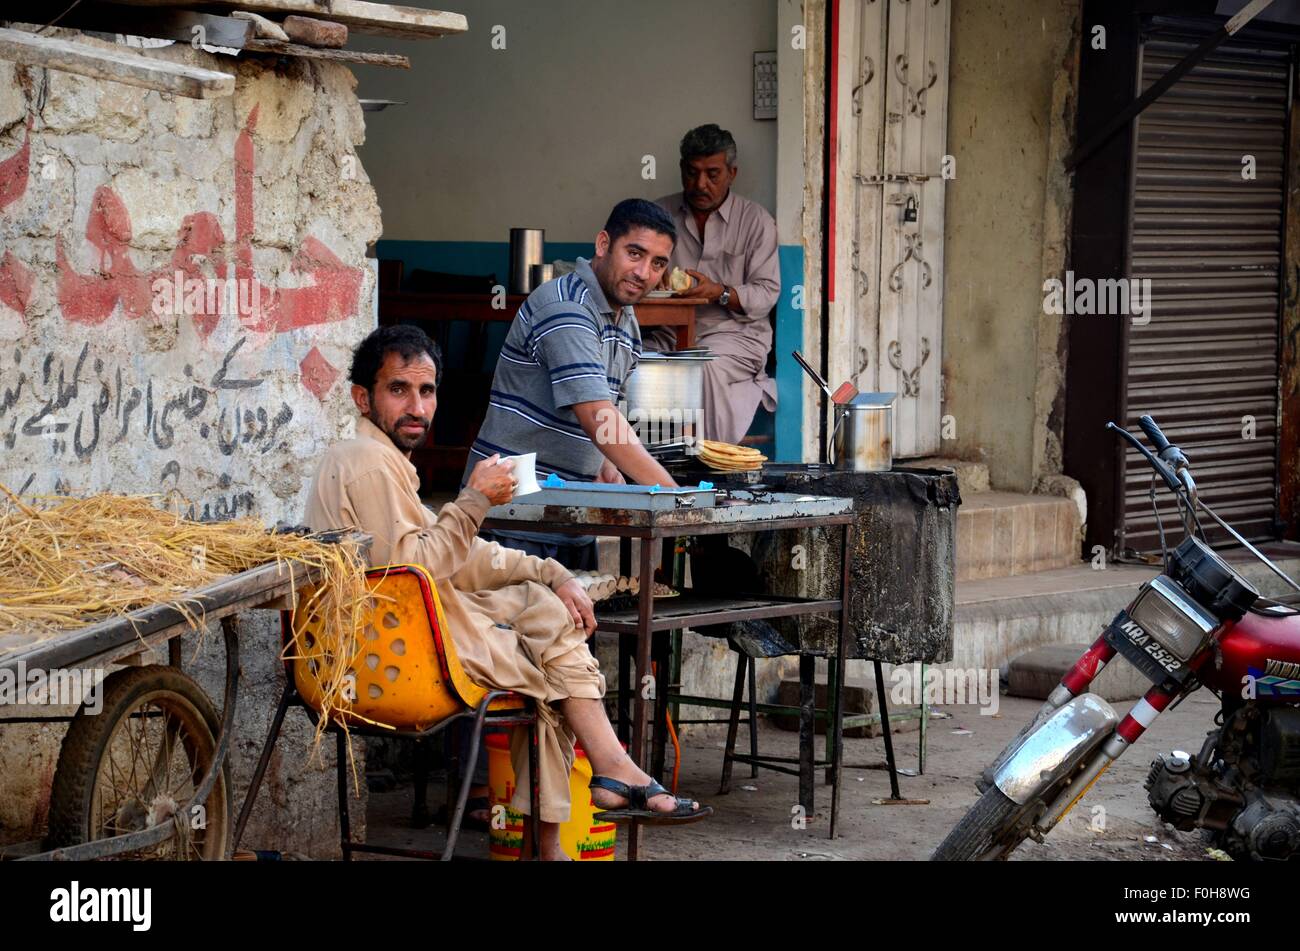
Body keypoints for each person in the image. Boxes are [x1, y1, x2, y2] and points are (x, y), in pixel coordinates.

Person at [305, 325, 710, 860]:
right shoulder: (365, 461)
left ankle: (584, 805)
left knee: (543, 614)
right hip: (389, 656)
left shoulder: (383, 461)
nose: (416, 406)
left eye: (426, 392)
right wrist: (474, 501)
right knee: (547, 666)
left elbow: (460, 556)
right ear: (364, 397)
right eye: (398, 389)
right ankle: (598, 788)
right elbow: (419, 565)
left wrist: (549, 571)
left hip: (404, 634)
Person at [462, 198, 680, 567]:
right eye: (634, 253)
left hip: (568, 515)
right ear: (602, 244)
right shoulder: (566, 306)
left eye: (657, 263)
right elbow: (597, 416)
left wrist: (607, 467)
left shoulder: (625, 320)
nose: (644, 272)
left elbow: (610, 412)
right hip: (515, 512)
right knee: (517, 624)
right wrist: (676, 497)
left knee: (574, 625)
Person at [648, 124, 781, 446]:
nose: (700, 184)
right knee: (635, 363)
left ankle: (712, 467)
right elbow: (630, 275)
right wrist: (652, 279)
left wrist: (719, 292)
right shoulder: (657, 216)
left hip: (735, 335)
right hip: (669, 332)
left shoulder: (755, 221)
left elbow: (766, 293)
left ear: (732, 173)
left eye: (712, 174)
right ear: (682, 169)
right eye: (692, 173)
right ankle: (648, 467)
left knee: (703, 367)